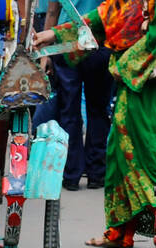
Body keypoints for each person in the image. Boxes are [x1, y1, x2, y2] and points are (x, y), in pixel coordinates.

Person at [33, 0, 156, 248]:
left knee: (148, 155)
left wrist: (124, 65)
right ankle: (120, 232)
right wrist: (53, 34)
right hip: (130, 83)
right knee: (118, 156)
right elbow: (106, 16)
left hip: (149, 85)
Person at [39, 0, 111, 191]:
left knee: (69, 110)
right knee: (98, 110)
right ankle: (96, 172)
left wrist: (44, 55)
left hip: (66, 43)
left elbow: (53, 11)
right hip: (98, 41)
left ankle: (71, 173)